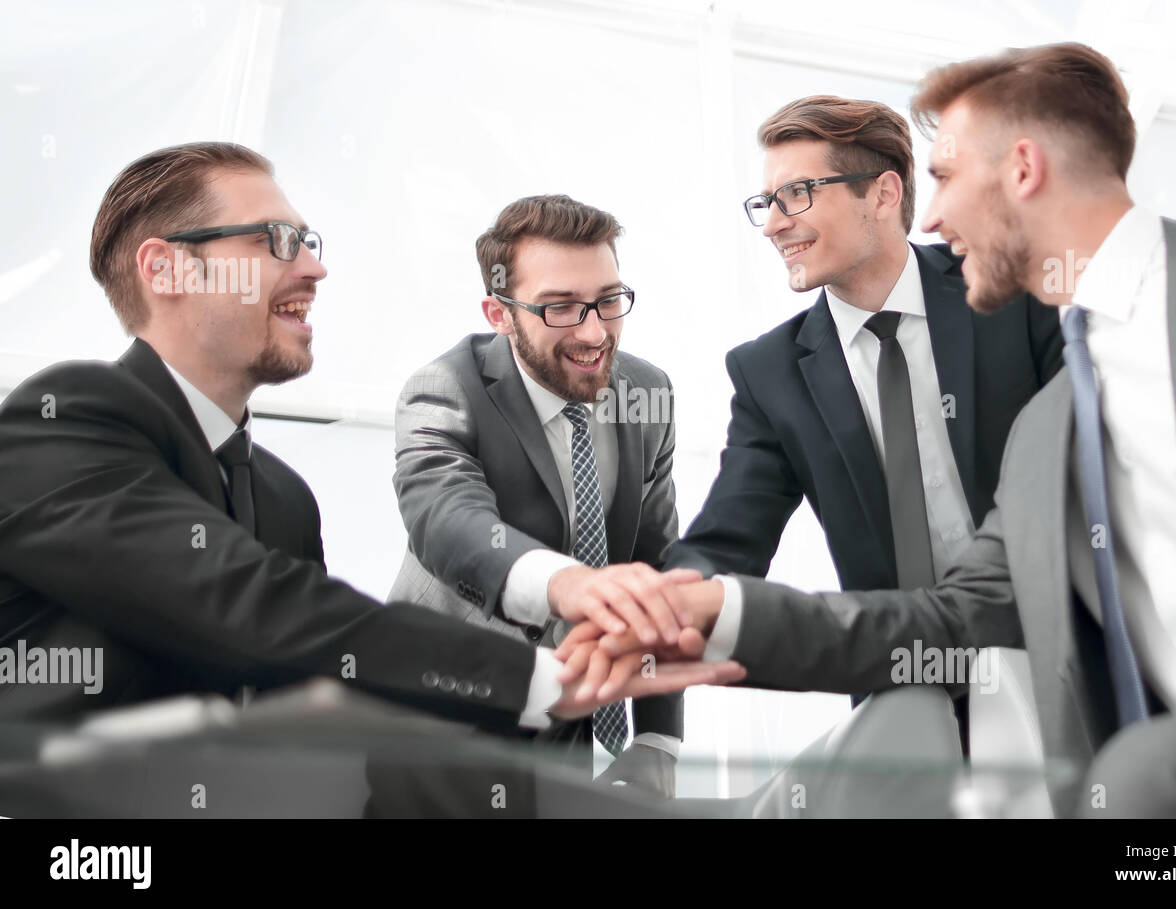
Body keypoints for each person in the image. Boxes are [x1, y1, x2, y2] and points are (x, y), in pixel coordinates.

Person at [563, 42, 1176, 819]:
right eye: (766, 202)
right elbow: (953, 607)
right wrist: (697, 608)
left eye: (943, 175)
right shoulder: (1046, 434)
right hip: (1077, 739)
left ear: (1022, 170)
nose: (934, 214)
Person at [0, 143, 739, 816]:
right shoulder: (65, 416)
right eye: (277, 241)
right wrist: (540, 676)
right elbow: (262, 602)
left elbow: (310, 715)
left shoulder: (285, 501)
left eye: (309, 242)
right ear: (165, 268)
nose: (315, 268)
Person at [669, 94, 1062, 749]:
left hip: (1059, 661)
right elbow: (725, 544)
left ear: (882, 193)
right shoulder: (770, 374)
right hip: (908, 703)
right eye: (766, 202)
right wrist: (654, 603)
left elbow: (1087, 463)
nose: (772, 224)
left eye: (795, 194)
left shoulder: (1009, 292)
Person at [388, 194, 687, 795]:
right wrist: (565, 586)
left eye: (608, 300)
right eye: (561, 308)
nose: (594, 331)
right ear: (499, 313)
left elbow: (656, 564)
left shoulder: (645, 392)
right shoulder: (444, 389)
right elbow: (448, 520)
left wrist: (657, 735)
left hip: (565, 726)